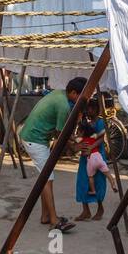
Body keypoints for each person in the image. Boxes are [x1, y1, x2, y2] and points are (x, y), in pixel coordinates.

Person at [19, 77, 86, 233]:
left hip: (35, 137)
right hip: (34, 139)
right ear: (73, 92)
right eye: (80, 96)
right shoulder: (63, 105)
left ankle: (46, 216)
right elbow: (61, 135)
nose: (80, 101)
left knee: (46, 178)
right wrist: (75, 145)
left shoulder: (60, 94)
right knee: (47, 179)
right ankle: (54, 221)